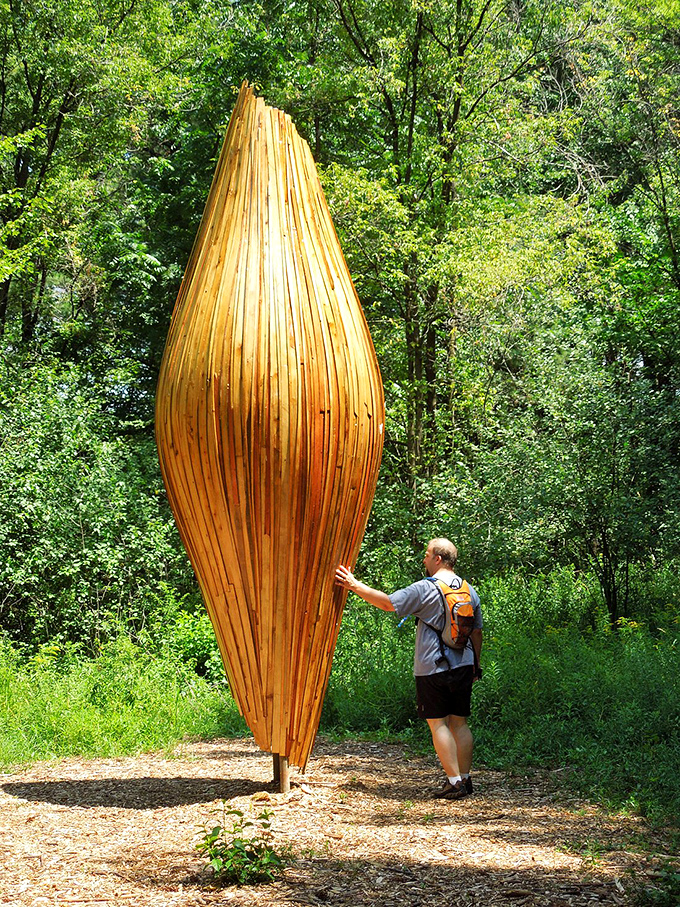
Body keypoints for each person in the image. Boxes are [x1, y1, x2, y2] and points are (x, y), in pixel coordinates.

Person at [335, 538, 483, 800]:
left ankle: (454, 782)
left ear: (438, 558)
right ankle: (466, 779)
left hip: (432, 666)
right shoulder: (469, 589)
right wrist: (476, 665)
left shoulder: (425, 588)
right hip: (463, 665)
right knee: (459, 723)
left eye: (426, 555)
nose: (423, 560)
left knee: (438, 724)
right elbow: (477, 632)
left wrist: (353, 585)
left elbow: (388, 603)